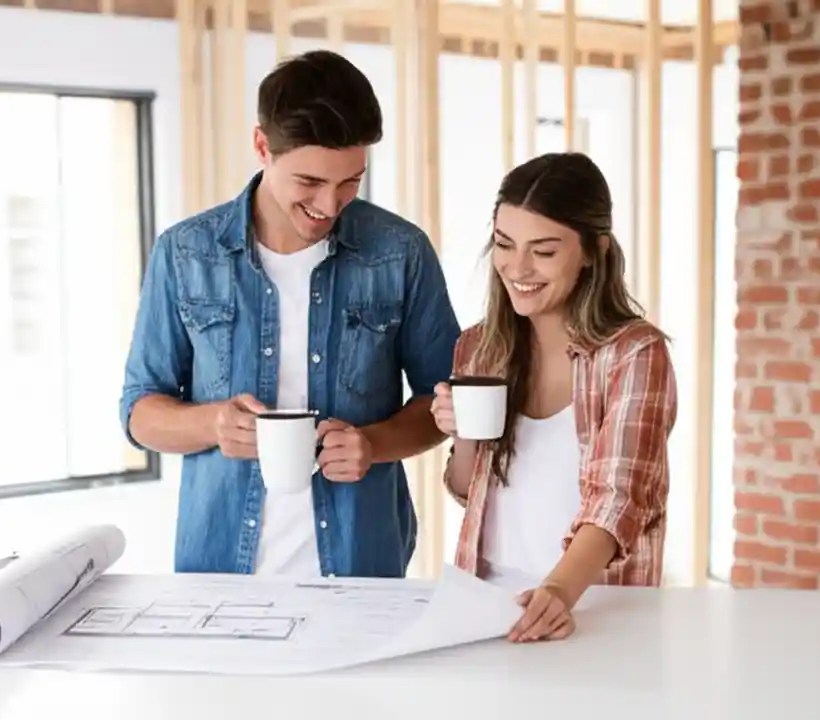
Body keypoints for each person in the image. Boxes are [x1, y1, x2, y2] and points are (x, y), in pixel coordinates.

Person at [120, 50, 459, 579]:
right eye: (309, 182)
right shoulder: (185, 253)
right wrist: (211, 423)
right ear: (263, 146)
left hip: (362, 570)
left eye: (351, 181)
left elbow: (443, 401)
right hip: (220, 576)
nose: (330, 203)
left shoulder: (400, 251)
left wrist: (374, 444)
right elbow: (139, 412)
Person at [430, 152, 677, 642]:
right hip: (484, 605)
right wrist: (462, 435)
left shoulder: (633, 354)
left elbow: (619, 498)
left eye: (543, 251)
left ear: (592, 251)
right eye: (504, 244)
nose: (517, 267)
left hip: (590, 606)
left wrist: (557, 593)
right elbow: (467, 489)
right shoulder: (479, 347)